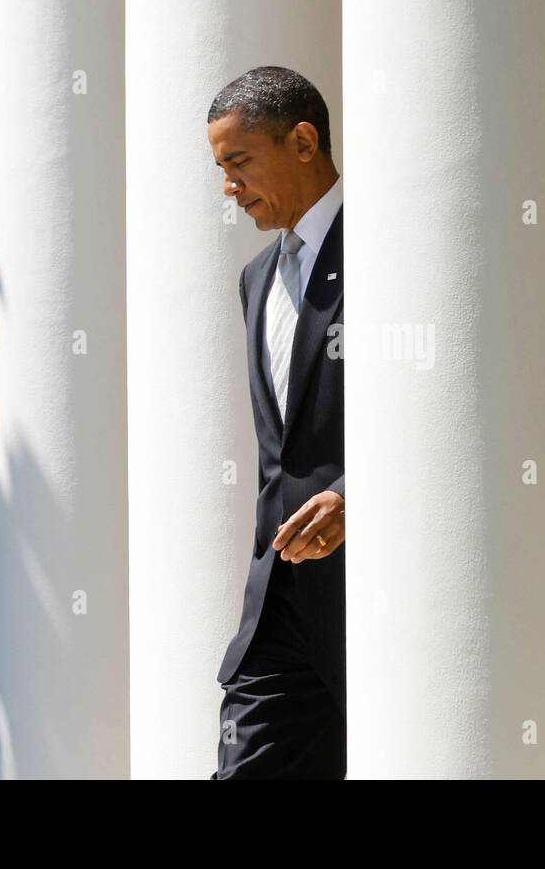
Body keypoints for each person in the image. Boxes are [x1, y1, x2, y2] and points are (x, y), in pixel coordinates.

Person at [206, 66, 346, 779]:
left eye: (238, 162)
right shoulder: (255, 279)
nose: (228, 186)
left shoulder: (390, 248)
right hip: (278, 603)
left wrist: (360, 493)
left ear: (301, 140)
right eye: (220, 168)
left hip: (372, 593)